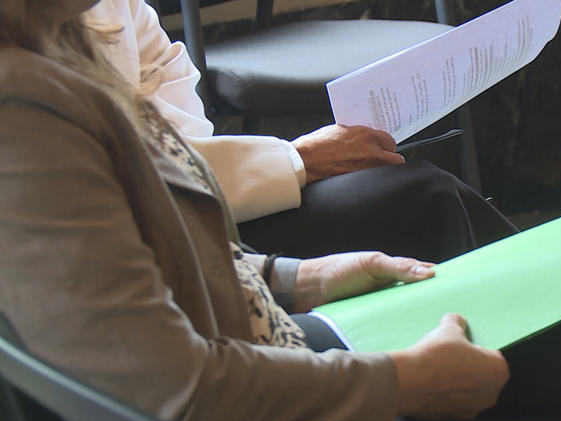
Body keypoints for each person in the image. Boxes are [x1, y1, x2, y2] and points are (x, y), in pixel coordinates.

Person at [1, 1, 561, 421]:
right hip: (268, 385)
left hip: (266, 329)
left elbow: (147, 239)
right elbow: (175, 396)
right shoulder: (25, 108)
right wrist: (402, 383)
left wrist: (297, 276)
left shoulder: (54, 54)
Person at [82, 0, 518, 264]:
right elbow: (119, 180)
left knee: (427, 193)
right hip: (139, 242)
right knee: (424, 195)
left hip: (199, 197)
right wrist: (297, 161)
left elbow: (171, 102)